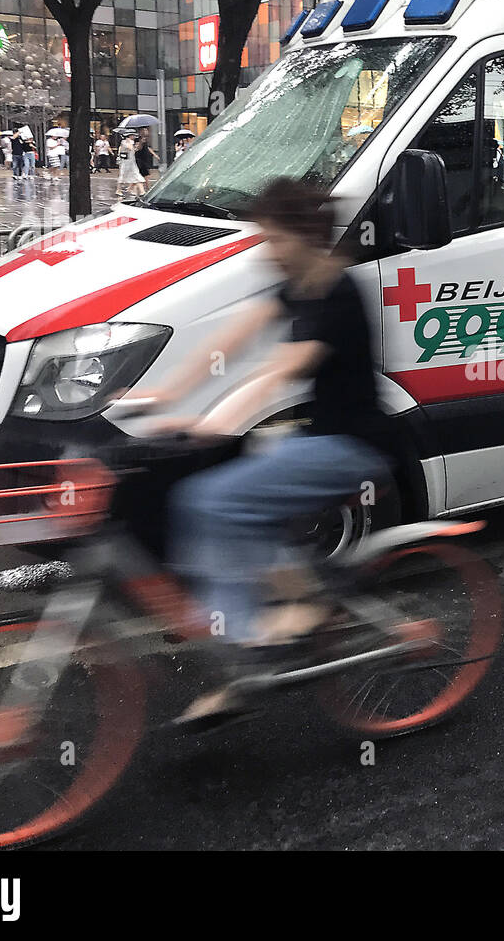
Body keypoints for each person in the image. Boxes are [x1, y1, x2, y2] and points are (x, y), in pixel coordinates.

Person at [117, 178, 396, 726]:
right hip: (316, 436)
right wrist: (163, 394)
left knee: (211, 501)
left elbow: (285, 367)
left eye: (273, 239)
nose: (265, 251)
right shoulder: (296, 285)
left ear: (303, 237)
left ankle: (254, 638)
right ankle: (290, 616)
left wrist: (217, 421)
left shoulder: (337, 289)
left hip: (353, 446)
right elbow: (232, 341)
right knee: (223, 505)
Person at [114, 132, 146, 197]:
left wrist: (139, 143)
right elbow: (130, 148)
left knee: (136, 175)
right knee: (122, 176)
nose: (134, 137)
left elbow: (134, 150)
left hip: (132, 163)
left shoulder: (131, 142)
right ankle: (118, 190)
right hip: (126, 163)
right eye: (133, 135)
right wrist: (131, 143)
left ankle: (142, 191)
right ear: (129, 136)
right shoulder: (124, 142)